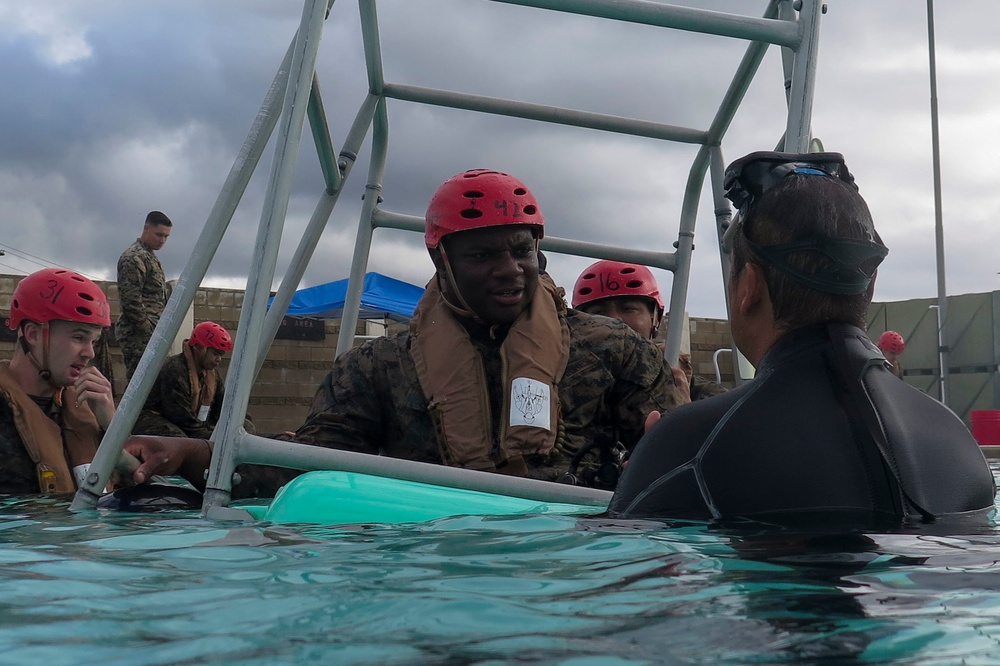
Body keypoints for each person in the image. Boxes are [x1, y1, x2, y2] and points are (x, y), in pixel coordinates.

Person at [124, 168, 687, 496]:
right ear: (442, 261)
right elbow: (311, 466)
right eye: (483, 256)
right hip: (428, 553)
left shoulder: (611, 349)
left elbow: (683, 451)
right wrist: (196, 455)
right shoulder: (376, 367)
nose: (510, 269)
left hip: (574, 555)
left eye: (522, 250)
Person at [610, 151, 995, 524]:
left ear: (748, 286)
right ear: (870, 283)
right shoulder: (958, 442)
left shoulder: (689, 443)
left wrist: (646, 468)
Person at [0, 268, 116, 494]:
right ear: (33, 334)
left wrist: (113, 427)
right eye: (79, 337)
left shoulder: (88, 408)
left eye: (94, 341)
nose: (89, 353)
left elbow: (136, 483)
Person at [572, 259, 726, 401]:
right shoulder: (561, 383)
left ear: (655, 319)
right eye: (599, 312)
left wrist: (685, 414)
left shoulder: (707, 397)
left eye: (628, 308)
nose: (614, 320)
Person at [132, 322, 234, 439]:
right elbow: (182, 419)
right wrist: (216, 437)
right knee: (180, 440)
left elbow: (223, 407)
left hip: (185, 422)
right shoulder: (174, 370)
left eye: (221, 355)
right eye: (215, 354)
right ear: (199, 348)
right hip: (152, 419)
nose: (219, 360)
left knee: (241, 427)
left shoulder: (212, 376)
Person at [117, 210, 172, 380]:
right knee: (139, 385)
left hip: (152, 333)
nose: (162, 240)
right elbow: (130, 301)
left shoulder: (150, 257)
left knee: (151, 386)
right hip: (139, 336)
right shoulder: (134, 257)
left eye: (166, 236)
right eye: (159, 235)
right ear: (146, 228)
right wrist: (147, 330)